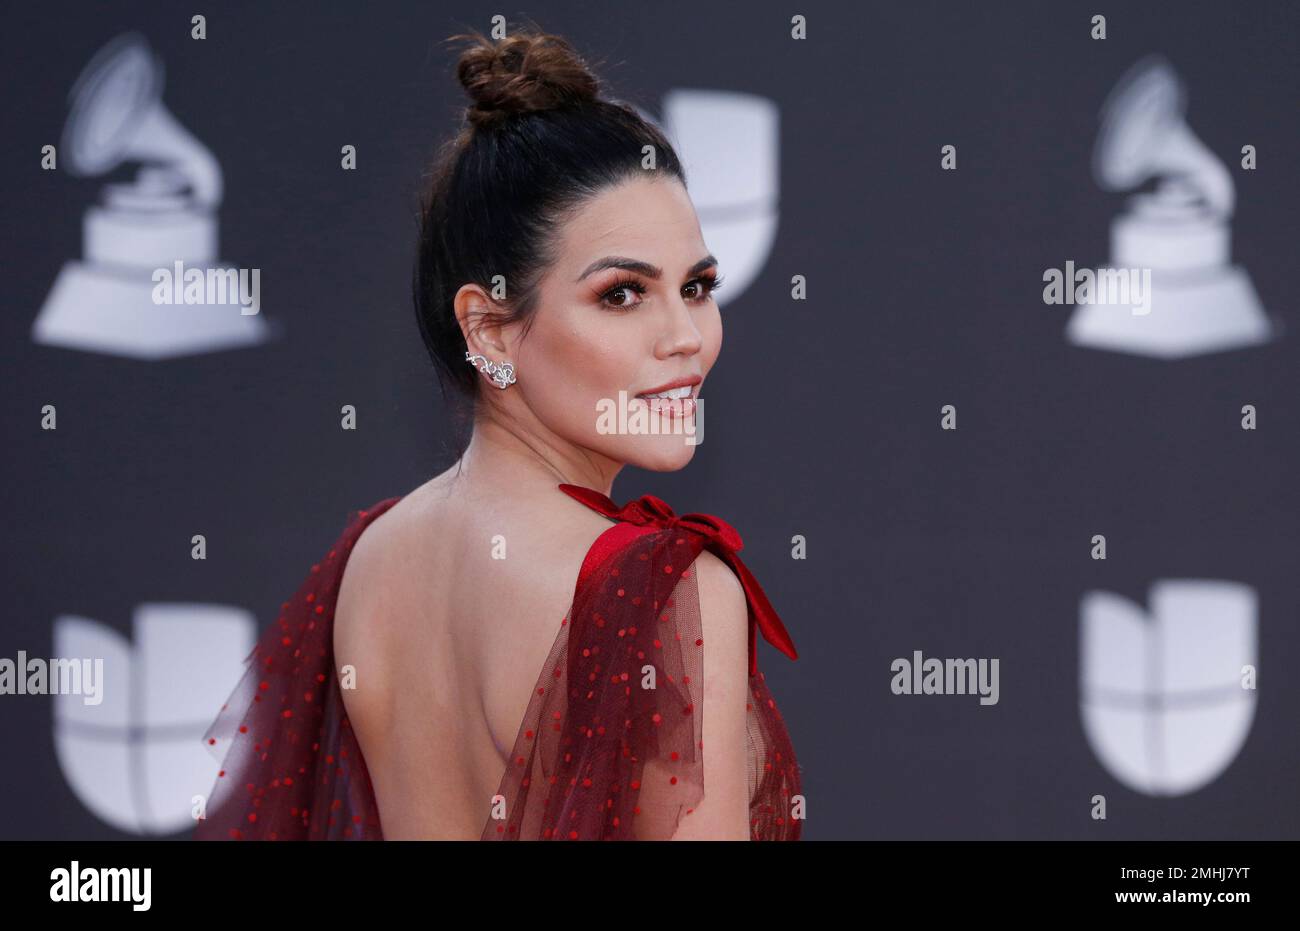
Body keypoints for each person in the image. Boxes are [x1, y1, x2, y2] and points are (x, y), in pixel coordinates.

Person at [193, 26, 802, 841]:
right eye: (622, 293)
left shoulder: (373, 558)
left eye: (696, 286)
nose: (685, 334)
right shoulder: (666, 591)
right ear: (488, 331)